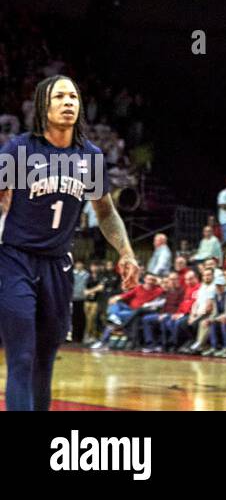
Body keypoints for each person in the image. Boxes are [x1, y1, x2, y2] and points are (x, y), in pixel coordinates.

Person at [0, 75, 140, 411]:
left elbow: (106, 213)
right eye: (60, 96)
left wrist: (127, 252)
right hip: (15, 259)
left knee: (44, 362)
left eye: (74, 97)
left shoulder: (90, 157)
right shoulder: (20, 149)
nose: (68, 103)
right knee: (22, 355)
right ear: (43, 105)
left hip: (58, 264)